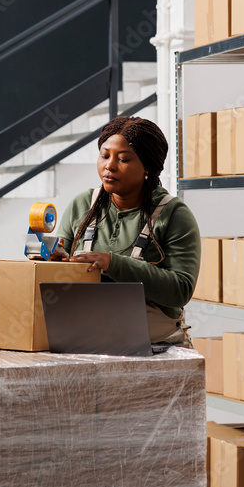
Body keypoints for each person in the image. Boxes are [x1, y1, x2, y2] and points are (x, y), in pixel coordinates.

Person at [50, 115, 201, 347]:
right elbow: (57, 280)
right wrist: (54, 264)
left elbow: (181, 290)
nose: (109, 165)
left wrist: (113, 264)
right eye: (104, 155)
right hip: (82, 341)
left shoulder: (174, 215)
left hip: (155, 348)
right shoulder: (83, 206)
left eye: (123, 159)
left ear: (148, 167)